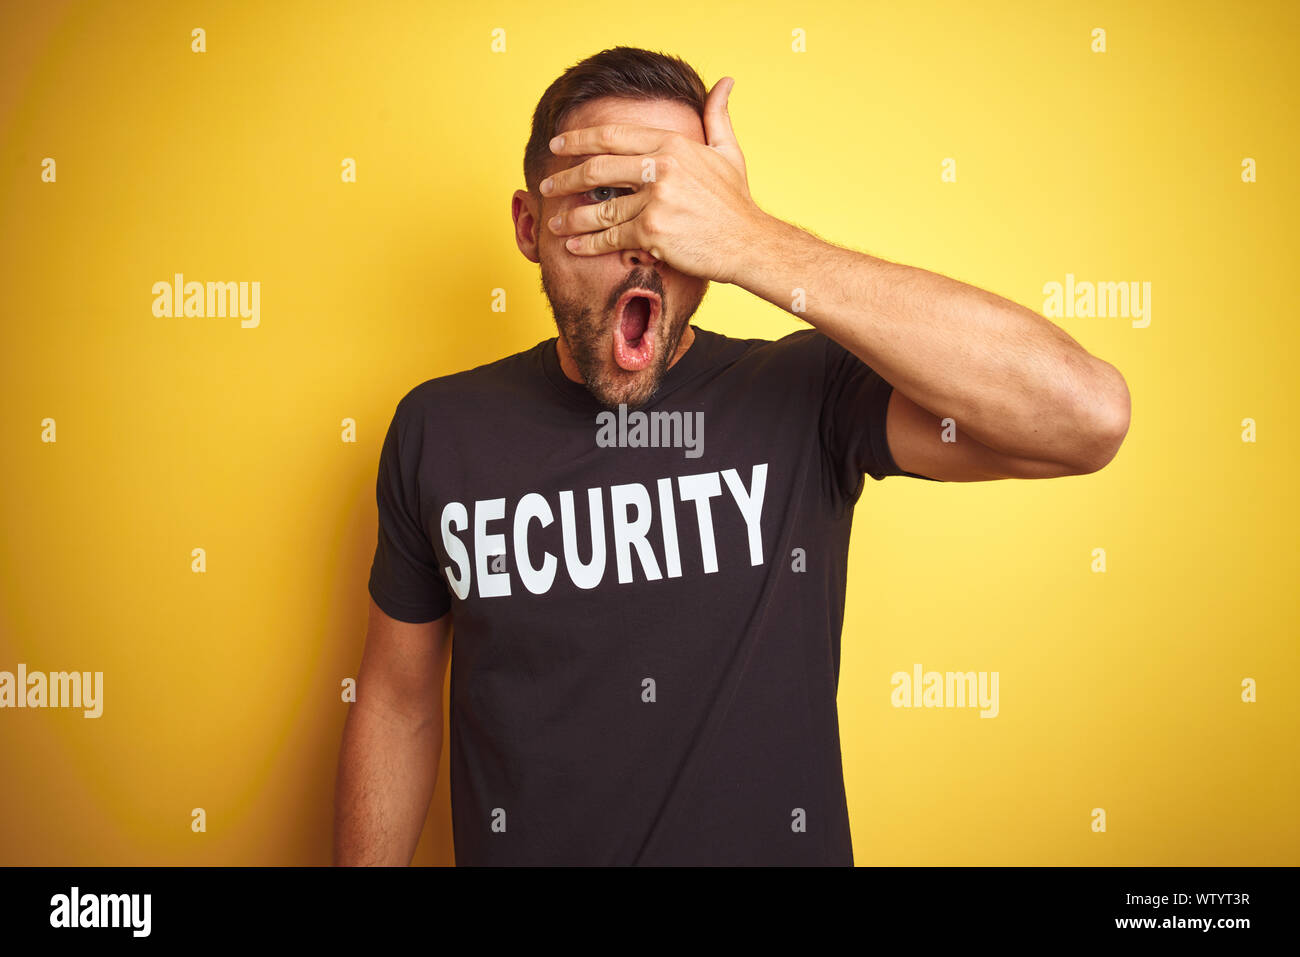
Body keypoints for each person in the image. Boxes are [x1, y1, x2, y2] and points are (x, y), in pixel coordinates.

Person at [333, 46, 1130, 866]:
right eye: (604, 199)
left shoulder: (808, 395)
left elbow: (1086, 415)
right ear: (530, 226)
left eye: (673, 203)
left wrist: (753, 240)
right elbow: (397, 703)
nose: (643, 241)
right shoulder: (439, 429)